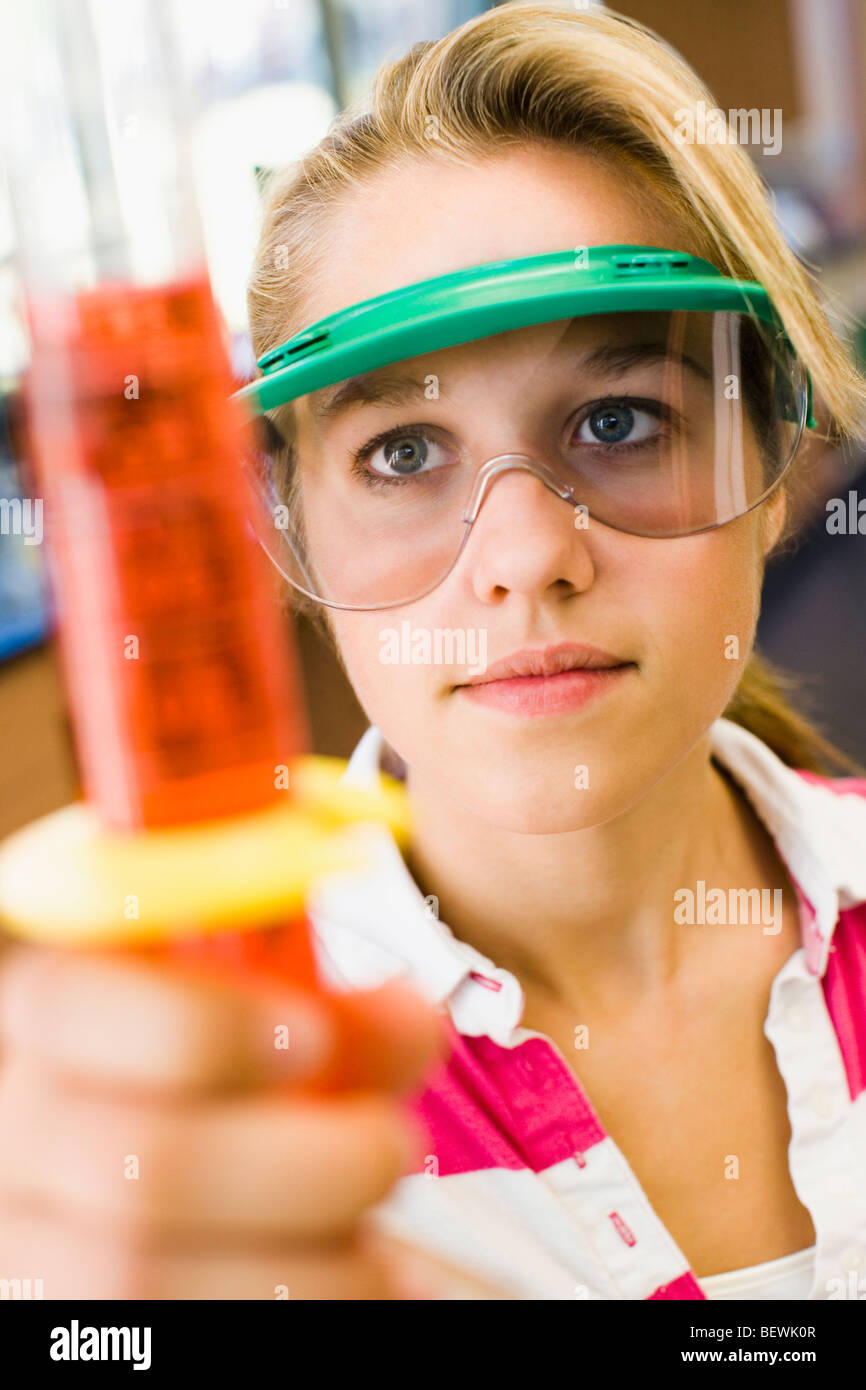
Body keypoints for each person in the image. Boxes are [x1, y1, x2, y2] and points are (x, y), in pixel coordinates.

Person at [0, 3, 863, 1304]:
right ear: (286, 529)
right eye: (401, 453)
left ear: (776, 466)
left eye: (619, 418)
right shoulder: (202, 1105)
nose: (523, 555)